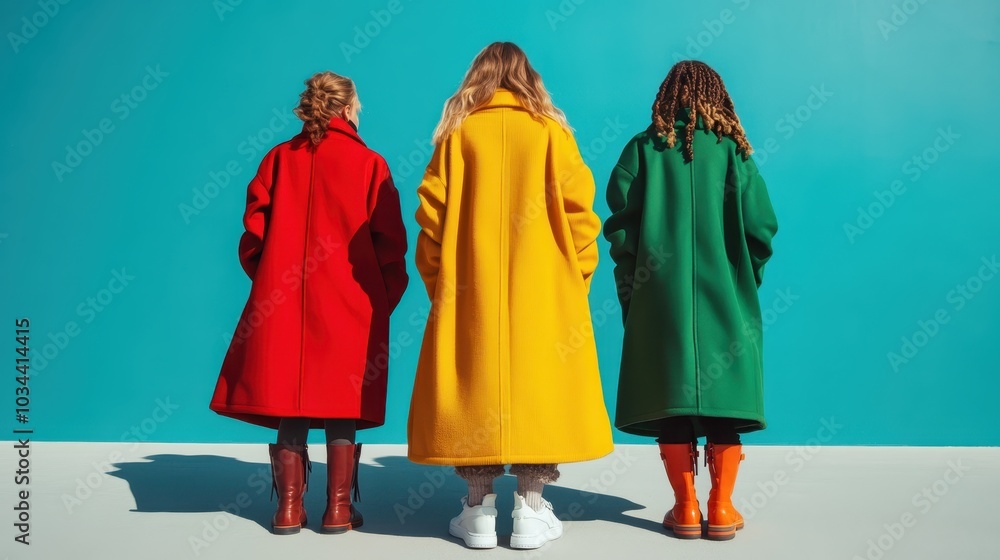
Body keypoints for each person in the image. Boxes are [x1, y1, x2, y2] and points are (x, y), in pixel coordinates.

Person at [407, 42, 613, 550]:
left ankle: (477, 511)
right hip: (542, 292)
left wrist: (442, 286)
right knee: (535, 389)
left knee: (473, 384)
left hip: (467, 289)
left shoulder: (456, 135)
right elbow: (583, 221)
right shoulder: (551, 133)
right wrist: (570, 281)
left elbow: (430, 221)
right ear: (529, 78)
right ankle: (531, 509)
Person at [209, 71, 408, 535]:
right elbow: (390, 244)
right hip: (351, 300)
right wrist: (380, 300)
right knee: (342, 399)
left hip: (283, 298)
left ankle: (287, 510)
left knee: (290, 399)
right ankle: (338, 509)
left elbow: (253, 233)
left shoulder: (278, 159)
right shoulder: (369, 164)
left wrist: (271, 280)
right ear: (348, 107)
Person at [604, 60, 778, 541]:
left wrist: (633, 289)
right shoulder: (735, 153)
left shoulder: (642, 149)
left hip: (660, 300)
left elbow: (620, 231)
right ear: (717, 95)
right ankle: (721, 510)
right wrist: (742, 280)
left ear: (666, 97)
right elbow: (762, 230)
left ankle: (684, 509)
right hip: (726, 296)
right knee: (724, 401)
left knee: (670, 397)